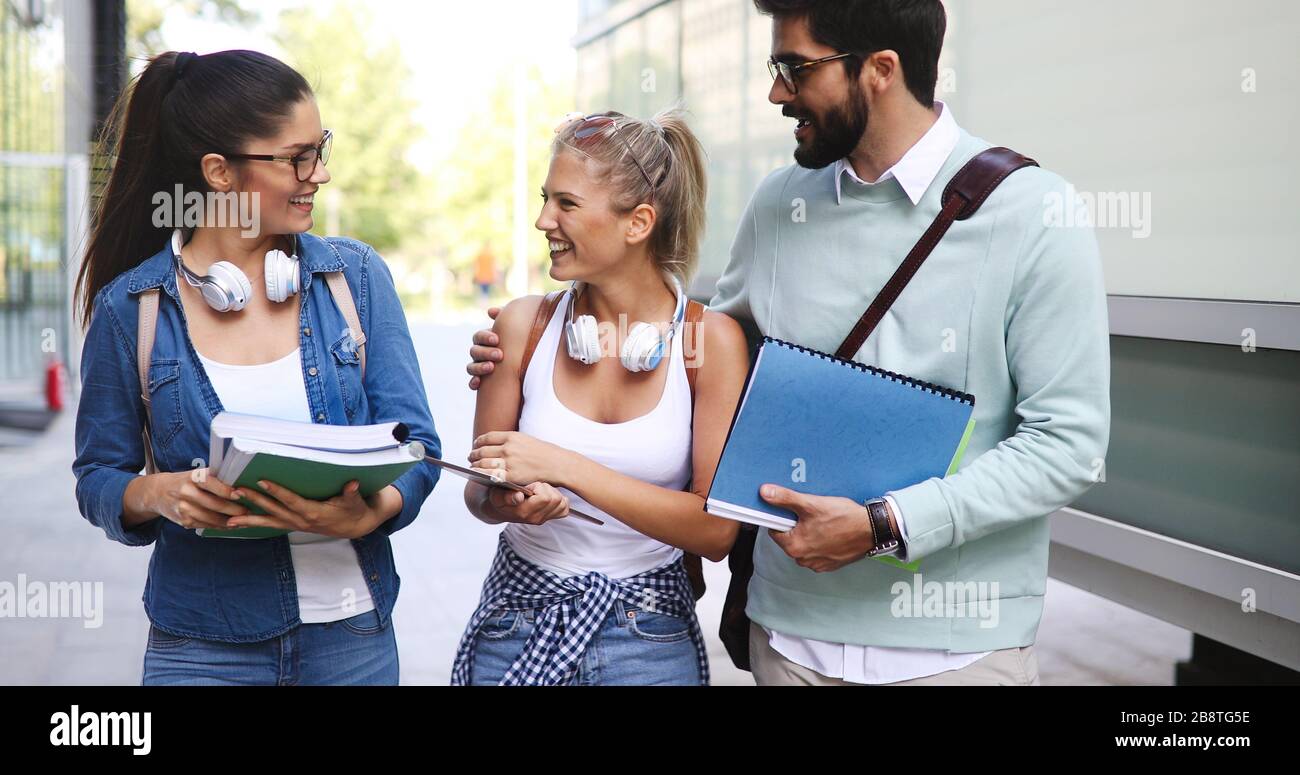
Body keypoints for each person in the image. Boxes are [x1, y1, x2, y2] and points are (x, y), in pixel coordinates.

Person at [468, 0, 1110, 686]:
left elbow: (1067, 445)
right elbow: (703, 357)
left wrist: (885, 522)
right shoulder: (779, 204)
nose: (777, 92)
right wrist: (536, 346)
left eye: (795, 68)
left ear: (880, 70)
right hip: (792, 646)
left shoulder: (1037, 214)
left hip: (960, 652)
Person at [72, 50, 441, 685]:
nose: (319, 174)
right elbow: (98, 478)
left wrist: (375, 508)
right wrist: (157, 494)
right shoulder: (129, 309)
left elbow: (420, 446)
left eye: (319, 148)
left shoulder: (354, 277)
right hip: (200, 646)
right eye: (297, 157)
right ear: (218, 172)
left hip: (353, 638)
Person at [452, 110, 750, 685]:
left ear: (638, 222)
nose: (543, 220)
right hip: (517, 619)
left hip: (651, 636)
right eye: (545, 199)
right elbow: (478, 494)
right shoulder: (519, 327)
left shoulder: (710, 341)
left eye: (565, 203)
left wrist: (565, 467)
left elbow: (715, 533)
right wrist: (509, 502)